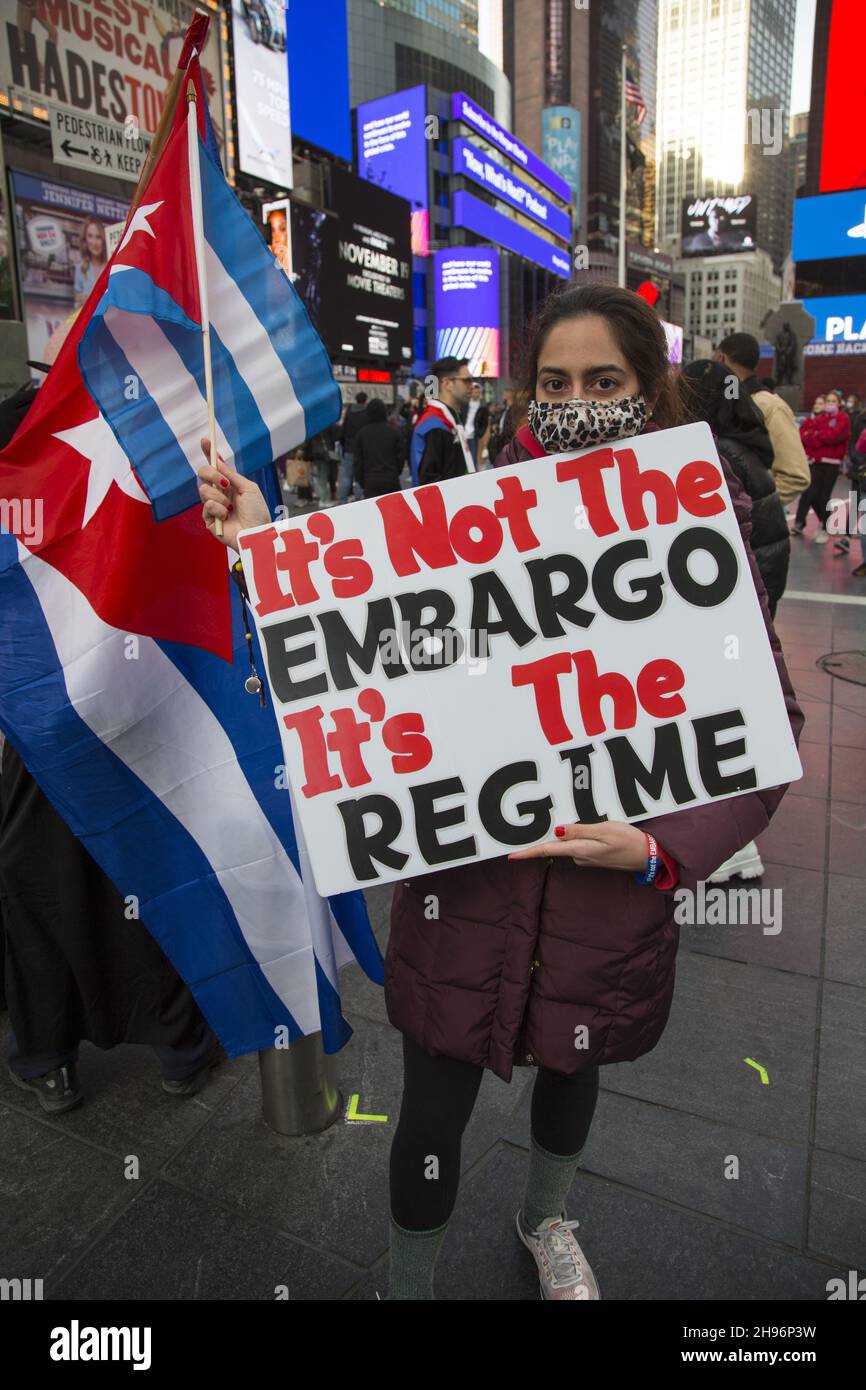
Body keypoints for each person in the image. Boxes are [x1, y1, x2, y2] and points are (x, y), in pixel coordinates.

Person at [197, 283, 804, 1302]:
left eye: (602, 381)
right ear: (527, 393)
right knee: (430, 1112)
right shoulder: (465, 520)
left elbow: (766, 723)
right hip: (464, 887)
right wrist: (265, 545)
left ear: (643, 389)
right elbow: (367, 632)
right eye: (555, 381)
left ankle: (545, 1220)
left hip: (604, 895)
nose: (576, 401)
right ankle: (409, 1279)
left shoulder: (699, 519)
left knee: (575, 1068)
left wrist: (657, 852)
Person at [0, 386, 222, 1115]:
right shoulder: (121, 458)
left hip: (36, 723)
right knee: (150, 873)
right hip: (126, 703)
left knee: (37, 889)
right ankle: (178, 1046)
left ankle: (47, 1056)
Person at [679, 358, 792, 883]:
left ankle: (727, 845)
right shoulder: (749, 446)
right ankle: (727, 843)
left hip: (725, 610)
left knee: (711, 721)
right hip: (748, 600)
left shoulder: (706, 455)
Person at [713, 333, 810, 506]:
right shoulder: (718, 401)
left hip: (750, 527)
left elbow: (795, 475)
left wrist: (750, 509)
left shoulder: (769, 406)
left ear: (721, 357)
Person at [794, 389, 851, 547]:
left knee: (824, 495)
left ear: (839, 404)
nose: (830, 404)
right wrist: (819, 436)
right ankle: (824, 523)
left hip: (832, 463)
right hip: (817, 461)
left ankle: (826, 528)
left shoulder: (843, 418)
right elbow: (808, 437)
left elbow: (834, 436)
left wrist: (818, 435)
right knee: (812, 495)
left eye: (833, 401)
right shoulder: (820, 418)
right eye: (828, 401)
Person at [409, 358, 474, 486]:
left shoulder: (450, 418)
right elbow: (429, 485)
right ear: (447, 384)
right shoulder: (434, 425)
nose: (472, 386)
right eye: (467, 380)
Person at [353, 397, 405, 498]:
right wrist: (395, 473)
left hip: (370, 480)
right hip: (391, 478)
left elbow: (358, 462)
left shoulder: (361, 434)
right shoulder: (394, 432)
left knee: (373, 512)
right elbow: (401, 458)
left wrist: (362, 481)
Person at [338, 393, 369, 501]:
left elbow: (343, 430)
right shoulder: (366, 413)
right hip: (361, 449)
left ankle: (343, 498)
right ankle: (358, 498)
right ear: (365, 400)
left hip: (348, 448)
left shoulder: (349, 411)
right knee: (359, 476)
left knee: (346, 475)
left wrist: (343, 445)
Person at [73, 218, 107, 308]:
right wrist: (78, 302)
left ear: (104, 240)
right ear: (85, 240)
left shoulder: (111, 268)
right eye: (90, 236)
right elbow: (77, 306)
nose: (94, 242)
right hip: (89, 321)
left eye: (98, 237)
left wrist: (90, 300)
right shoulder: (80, 268)